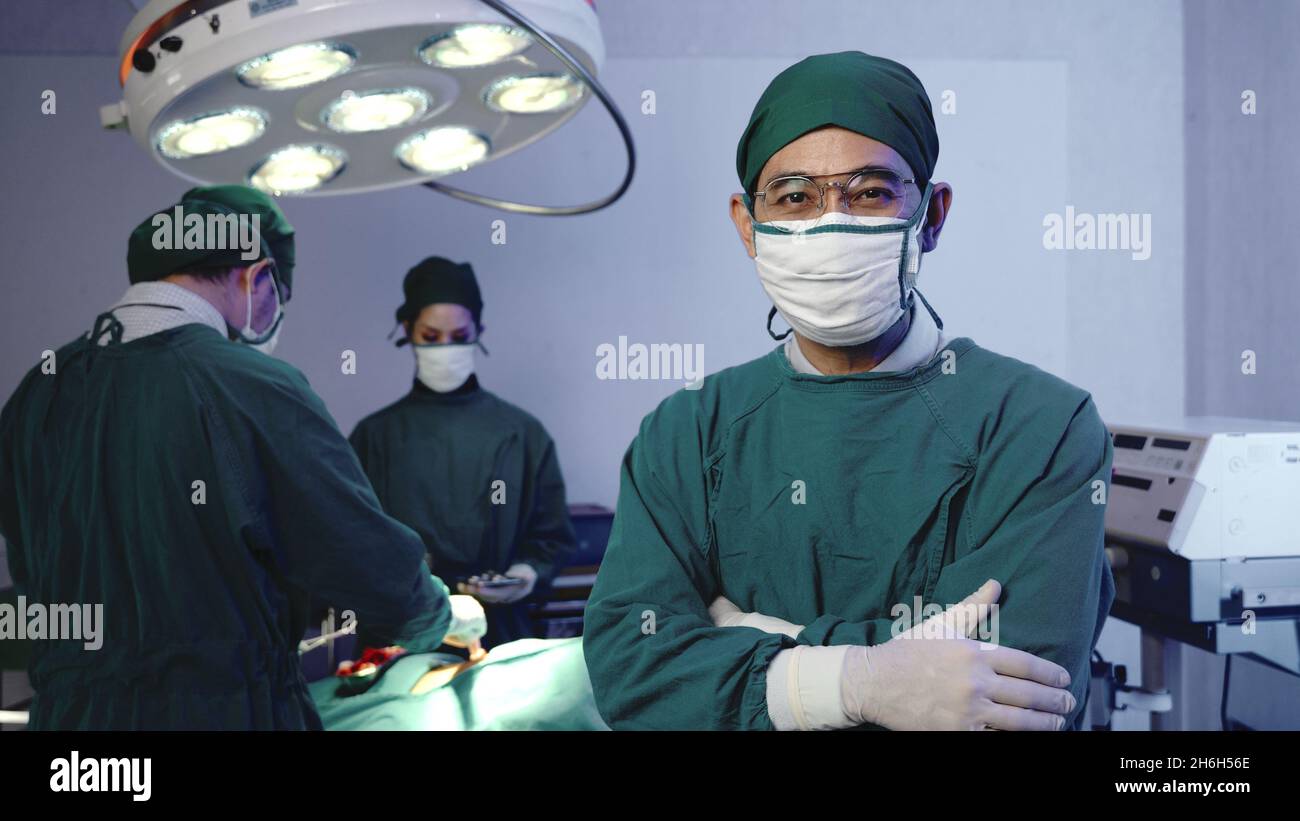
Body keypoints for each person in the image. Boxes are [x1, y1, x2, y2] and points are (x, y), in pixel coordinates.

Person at [583, 52, 1115, 731]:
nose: (828, 224)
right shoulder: (686, 432)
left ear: (931, 214)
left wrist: (746, 641)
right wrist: (862, 681)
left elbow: (1016, 703)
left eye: (869, 192)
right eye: (795, 196)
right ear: (749, 226)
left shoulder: (1039, 426)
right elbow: (632, 670)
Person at [0, 186, 483, 730]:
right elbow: (358, 554)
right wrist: (440, 614)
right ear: (257, 278)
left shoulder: (35, 395)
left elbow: (31, 572)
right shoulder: (250, 386)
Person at [349, 257, 577, 649]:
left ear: (478, 332)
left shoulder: (521, 434)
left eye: (459, 335)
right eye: (431, 336)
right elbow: (350, 537)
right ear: (408, 331)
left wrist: (523, 577)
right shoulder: (375, 436)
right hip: (402, 636)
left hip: (497, 634)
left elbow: (550, 537)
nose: (446, 348)